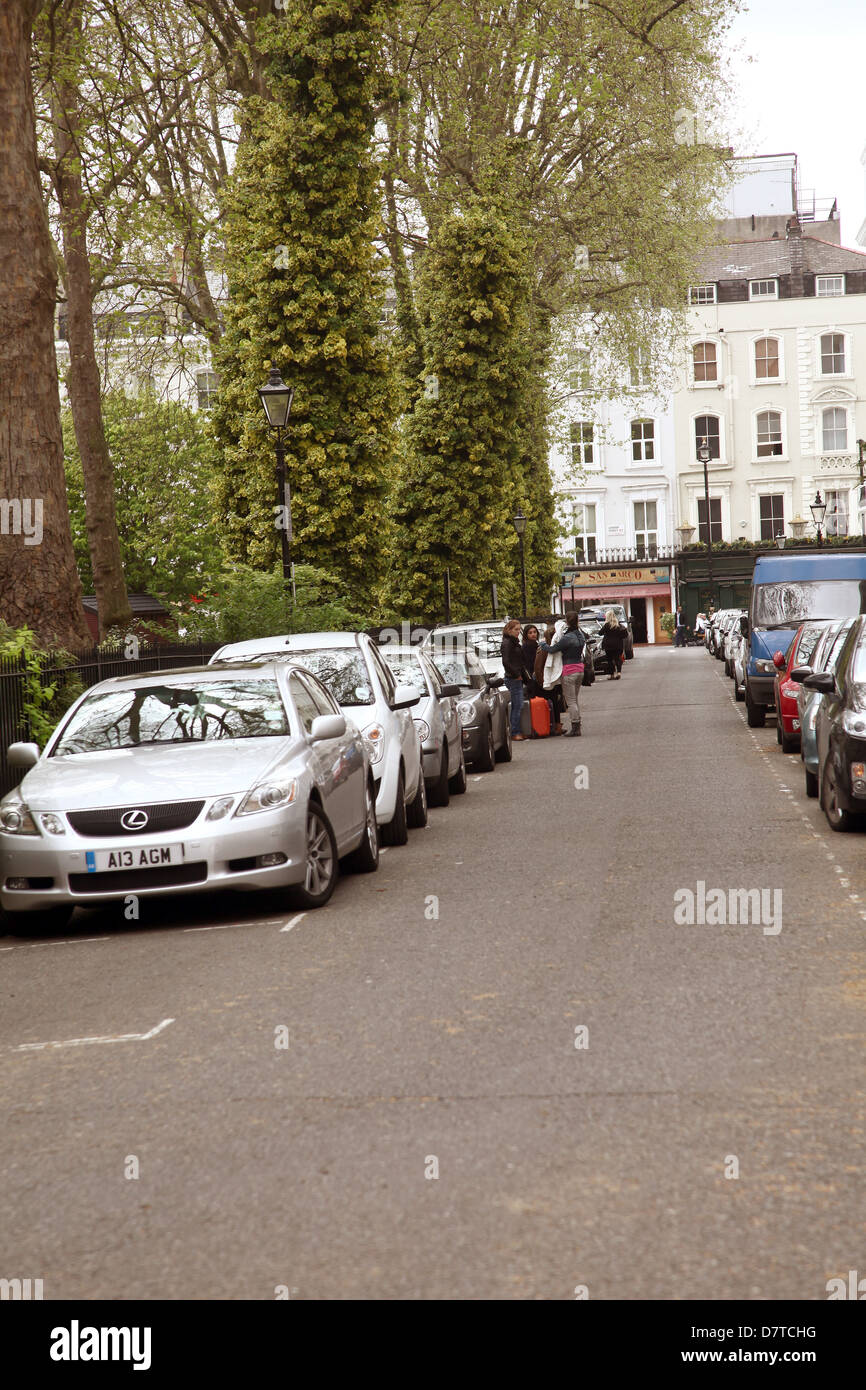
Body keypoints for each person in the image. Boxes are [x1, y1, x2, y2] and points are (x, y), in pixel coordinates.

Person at [538, 611, 586, 736]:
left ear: (567, 621)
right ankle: (577, 724)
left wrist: (543, 643)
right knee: (574, 699)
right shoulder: (580, 636)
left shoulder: (567, 638)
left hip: (569, 670)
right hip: (580, 669)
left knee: (570, 701)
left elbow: (552, 649)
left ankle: (576, 727)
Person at [500, 618, 528, 740]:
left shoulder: (514, 642)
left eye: (519, 629)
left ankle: (517, 731)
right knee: (517, 705)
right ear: (509, 630)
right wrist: (516, 674)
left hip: (516, 677)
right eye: (516, 629)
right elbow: (506, 661)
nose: (518, 631)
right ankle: (514, 732)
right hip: (513, 678)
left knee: (518, 705)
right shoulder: (507, 643)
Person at [600, 608, 628, 679]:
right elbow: (625, 635)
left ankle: (612, 675)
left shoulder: (606, 625)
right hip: (618, 645)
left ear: (607, 617)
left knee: (610, 660)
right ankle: (618, 672)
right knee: (618, 659)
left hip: (608, 646)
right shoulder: (618, 625)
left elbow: (600, 633)